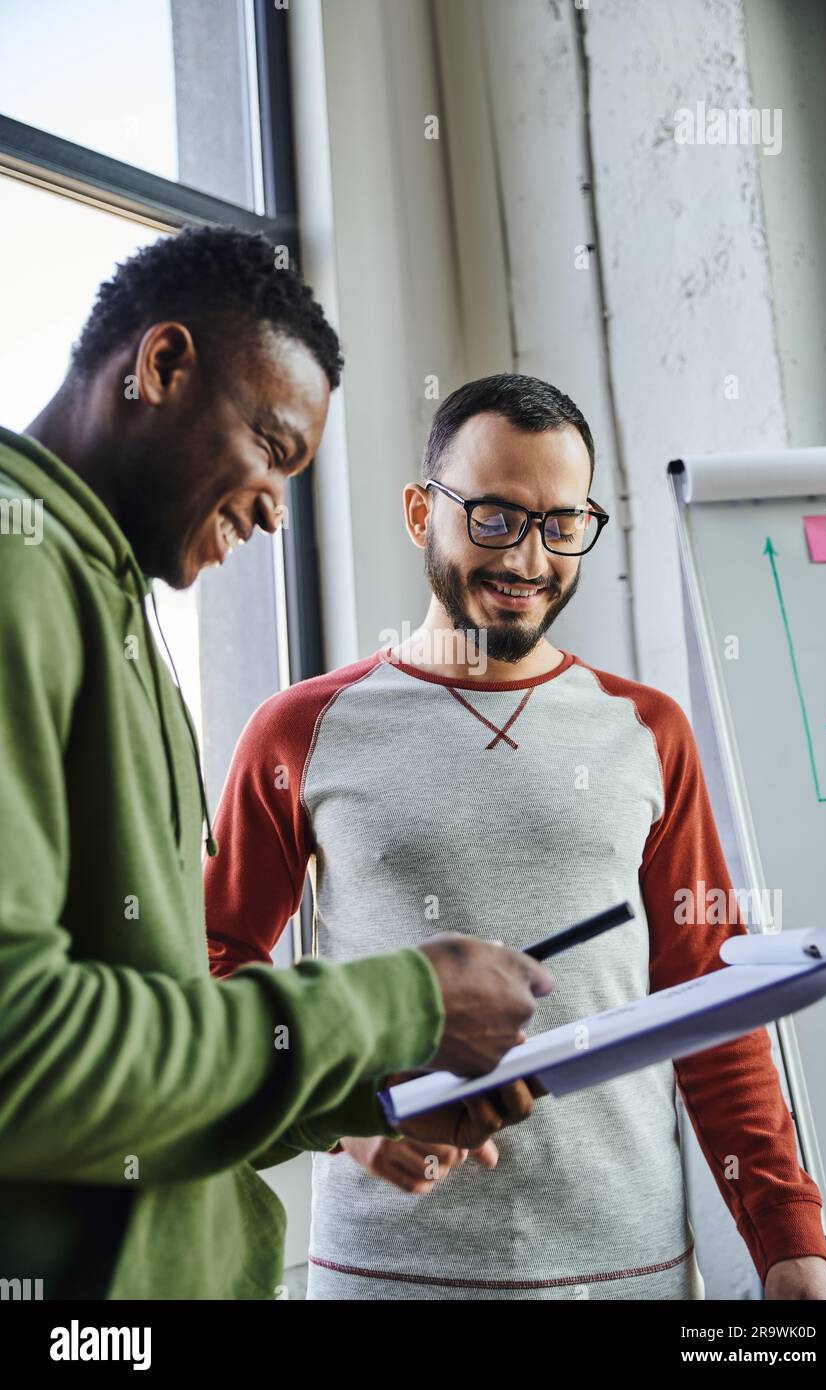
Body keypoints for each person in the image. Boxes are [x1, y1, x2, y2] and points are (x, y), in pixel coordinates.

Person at [0, 230, 553, 1301]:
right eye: (272, 446)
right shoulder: (19, 573)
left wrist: (360, 1091)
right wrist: (402, 1003)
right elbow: (24, 1055)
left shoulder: (98, 593)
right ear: (160, 367)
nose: (272, 508)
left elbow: (141, 1042)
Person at [205, 373, 826, 1301]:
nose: (529, 560)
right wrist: (343, 1115)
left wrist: (791, 1243)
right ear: (421, 512)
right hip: (383, 1274)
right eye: (494, 518)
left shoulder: (647, 730)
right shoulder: (300, 729)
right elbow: (219, 971)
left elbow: (711, 998)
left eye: (561, 523)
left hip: (631, 1272)